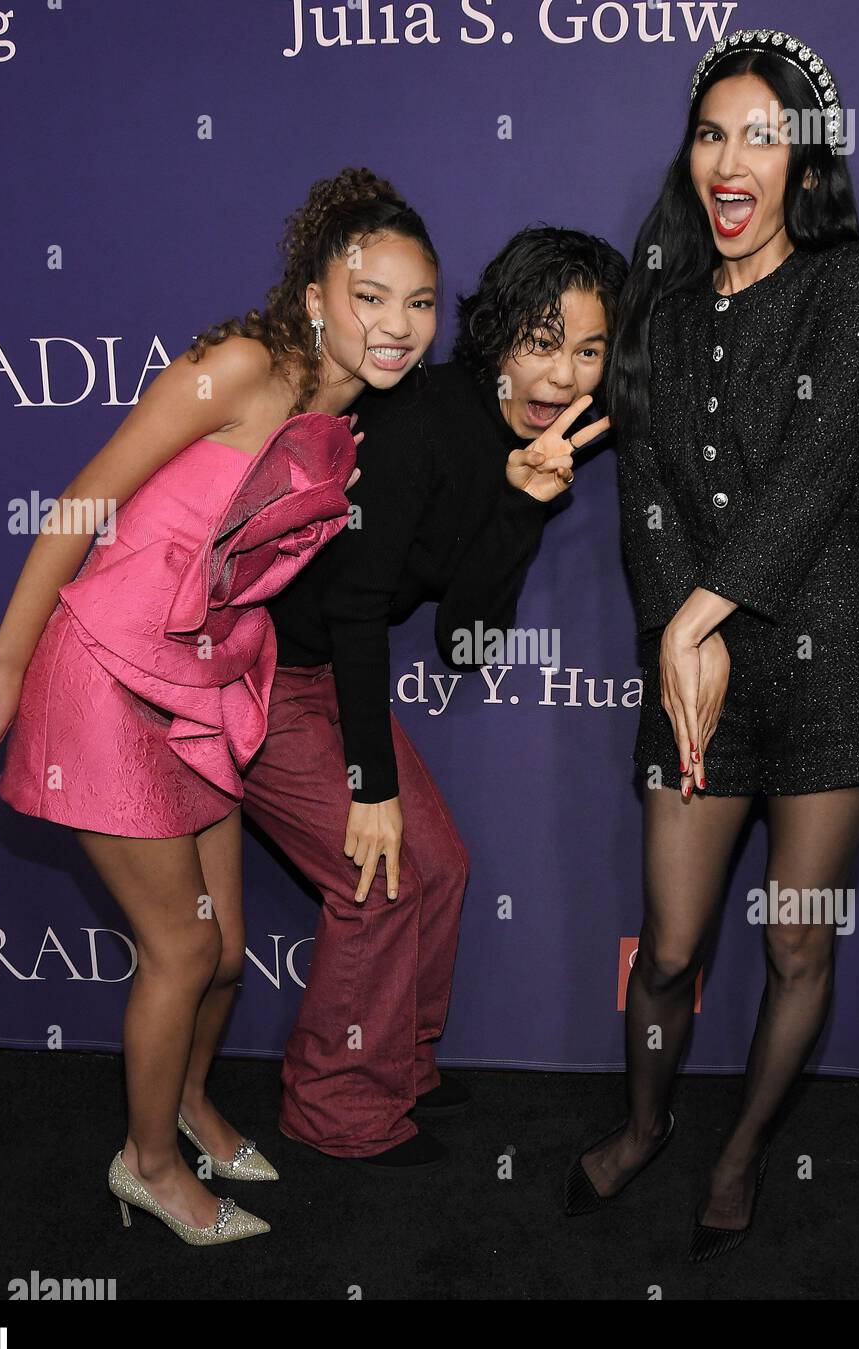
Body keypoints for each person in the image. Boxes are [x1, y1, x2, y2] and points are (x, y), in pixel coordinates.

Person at [0, 166, 437, 1244]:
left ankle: (190, 1104)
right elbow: (85, 500)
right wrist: (3, 663)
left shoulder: (349, 419)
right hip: (105, 675)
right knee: (179, 948)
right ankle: (148, 1163)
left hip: (205, 685)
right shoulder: (243, 370)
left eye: (417, 302)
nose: (396, 325)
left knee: (222, 948)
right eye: (370, 296)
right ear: (317, 295)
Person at [564, 29, 859, 1261]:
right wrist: (677, 632)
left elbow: (822, 474)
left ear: (803, 161)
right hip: (693, 664)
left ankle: (740, 1148)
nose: (731, 158)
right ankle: (647, 1124)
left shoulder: (854, 279)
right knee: (666, 948)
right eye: (712, 131)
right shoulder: (654, 310)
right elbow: (644, 491)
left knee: (794, 938)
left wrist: (705, 610)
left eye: (762, 135)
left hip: (834, 660)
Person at [244, 227, 628, 1170]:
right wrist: (371, 785)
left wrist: (523, 504)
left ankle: (398, 1065)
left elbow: (466, 638)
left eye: (588, 350)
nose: (565, 375)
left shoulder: (526, 446)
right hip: (252, 677)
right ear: (498, 337)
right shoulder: (425, 420)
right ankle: (336, 1107)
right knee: (377, 879)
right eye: (542, 342)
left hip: (332, 674)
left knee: (440, 864)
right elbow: (356, 606)